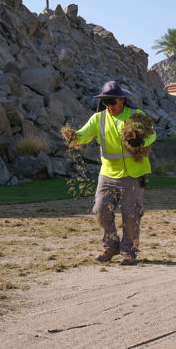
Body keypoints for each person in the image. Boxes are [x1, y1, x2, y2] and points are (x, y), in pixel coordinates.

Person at [71, 81, 156, 265]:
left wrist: (142, 142)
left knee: (130, 214)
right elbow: (84, 134)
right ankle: (111, 246)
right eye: (106, 102)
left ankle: (128, 251)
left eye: (113, 102)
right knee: (100, 210)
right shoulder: (98, 119)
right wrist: (73, 136)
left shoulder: (135, 116)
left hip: (133, 173)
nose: (109, 106)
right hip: (108, 174)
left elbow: (152, 134)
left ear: (122, 100)